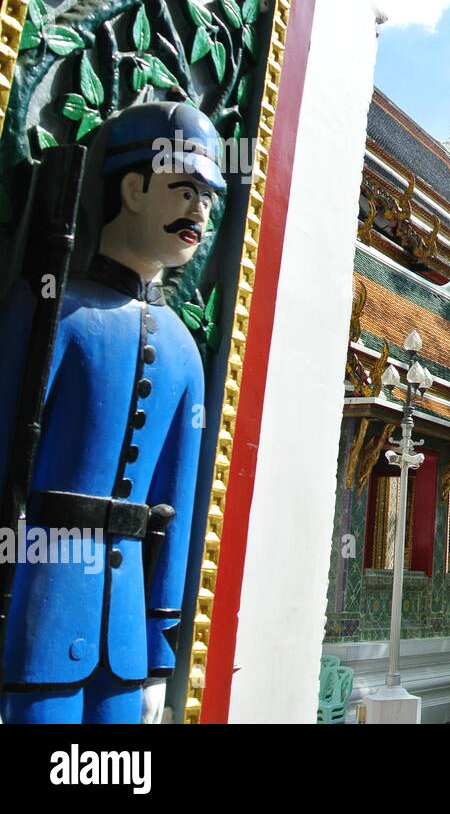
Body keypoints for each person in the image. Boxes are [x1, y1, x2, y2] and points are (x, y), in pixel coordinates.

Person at [0, 101, 224, 723]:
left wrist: (158, 653)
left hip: (126, 634)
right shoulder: (48, 309)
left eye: (208, 198)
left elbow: (175, 512)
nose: (199, 213)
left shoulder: (184, 349)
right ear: (131, 187)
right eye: (184, 190)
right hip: (34, 614)